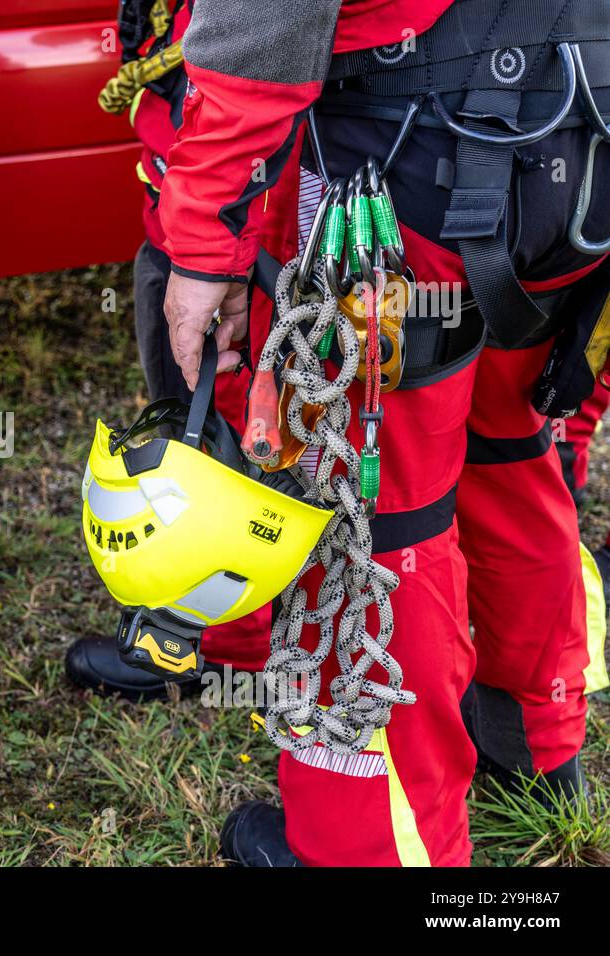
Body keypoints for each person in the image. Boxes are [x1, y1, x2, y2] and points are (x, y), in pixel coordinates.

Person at [155, 0, 609, 865]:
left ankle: (367, 848)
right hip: (574, 152)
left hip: (415, 171)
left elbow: (262, 28)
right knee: (508, 450)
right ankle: (535, 752)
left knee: (372, 519)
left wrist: (201, 246)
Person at [66, 1, 270, 701]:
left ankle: (224, 650)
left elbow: (251, 100)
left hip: (235, 251)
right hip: (184, 234)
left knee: (228, 447)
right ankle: (204, 628)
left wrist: (219, 260)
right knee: (190, 428)